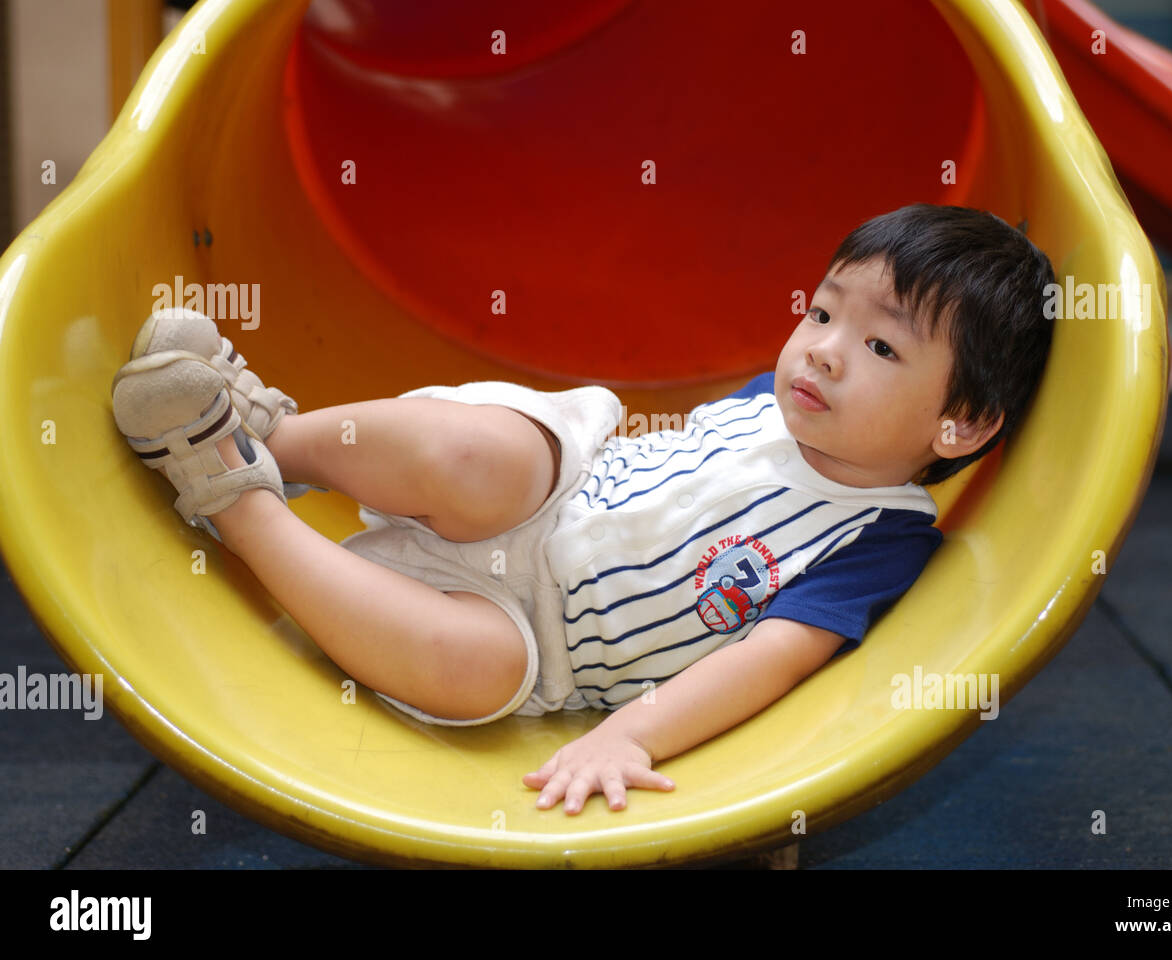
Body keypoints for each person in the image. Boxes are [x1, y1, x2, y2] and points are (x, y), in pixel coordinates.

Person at [110, 202, 1055, 815]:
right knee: (482, 455)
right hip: (554, 486)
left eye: (882, 349)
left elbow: (773, 660)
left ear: (962, 424)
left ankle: (230, 492)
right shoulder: (769, 406)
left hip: (533, 632)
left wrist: (626, 735)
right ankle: (274, 434)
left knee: (474, 677)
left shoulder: (880, 537)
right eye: (820, 313)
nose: (823, 352)